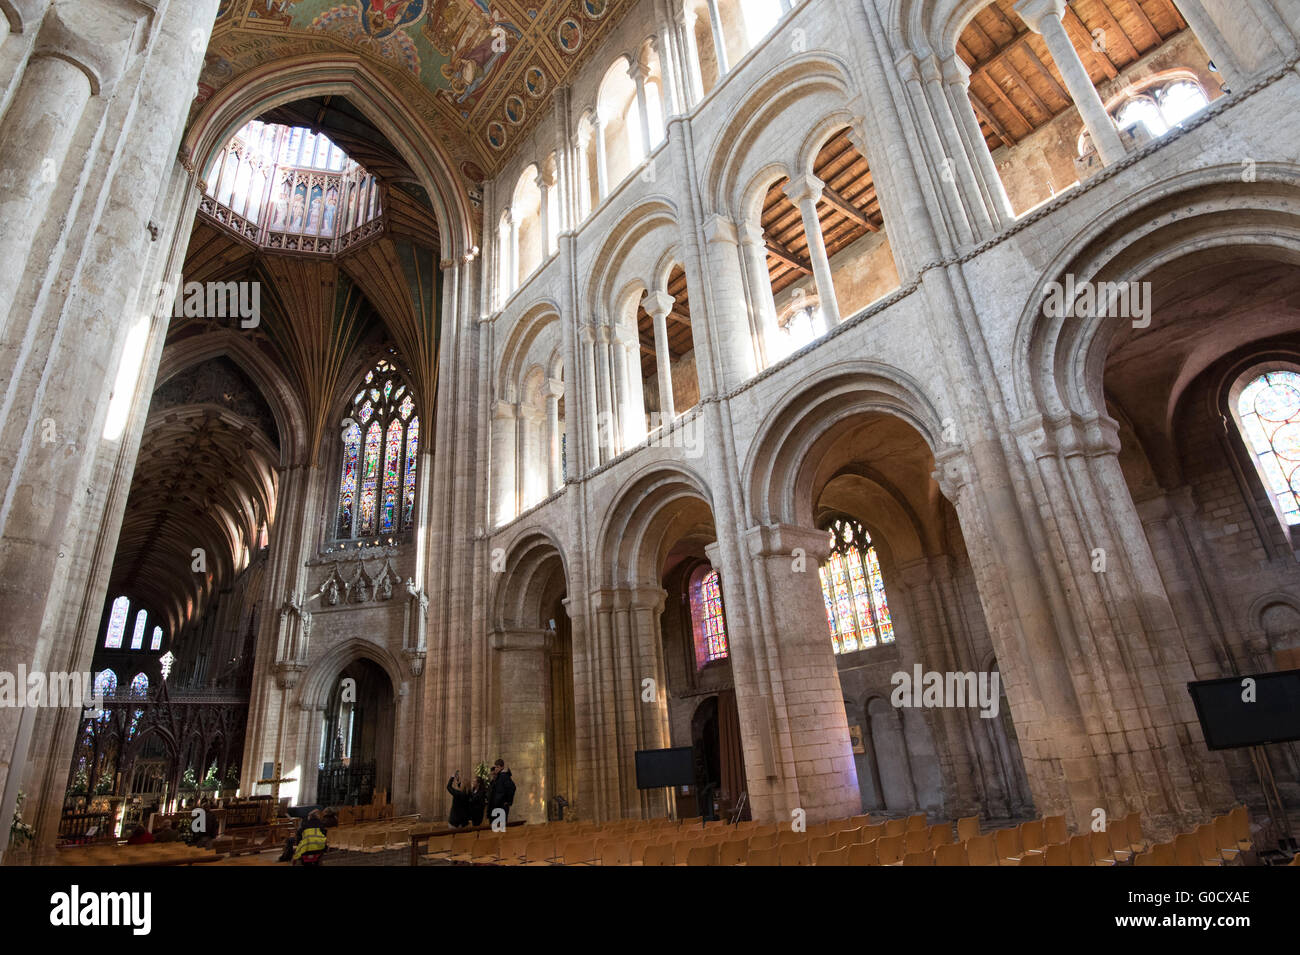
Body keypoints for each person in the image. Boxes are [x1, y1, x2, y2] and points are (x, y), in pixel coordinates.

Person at [487, 759, 515, 825]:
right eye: (495, 767)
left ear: (502, 767)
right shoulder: (498, 778)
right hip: (496, 806)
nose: (496, 769)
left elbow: (512, 788)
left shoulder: (504, 776)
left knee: (499, 828)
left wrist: (508, 801)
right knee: (495, 827)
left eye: (498, 767)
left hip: (501, 806)